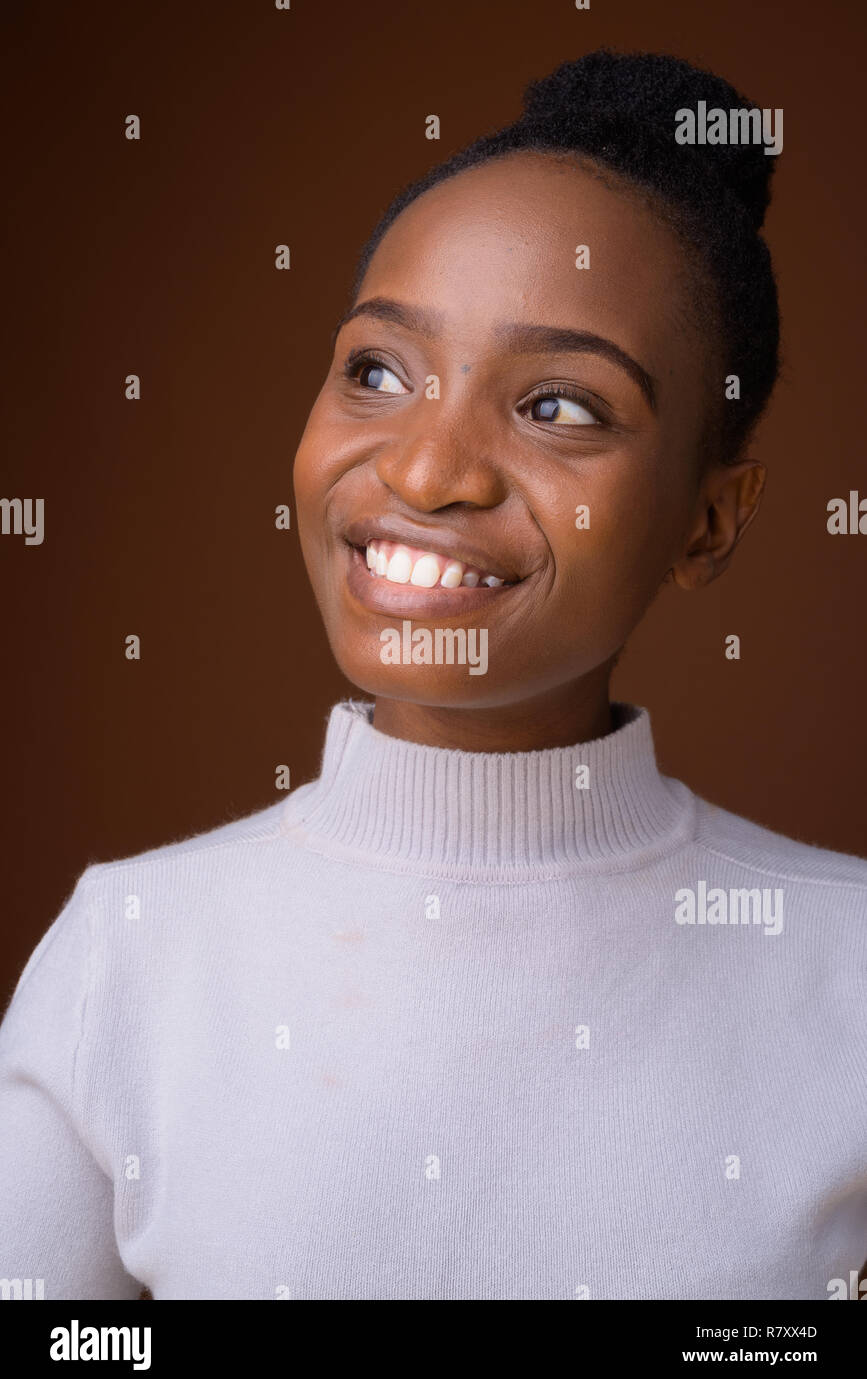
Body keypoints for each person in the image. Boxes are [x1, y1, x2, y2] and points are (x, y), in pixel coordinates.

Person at [1, 49, 864, 1302]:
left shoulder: (843, 972)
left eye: (562, 406)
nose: (424, 470)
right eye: (378, 372)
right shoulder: (129, 959)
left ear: (709, 523)